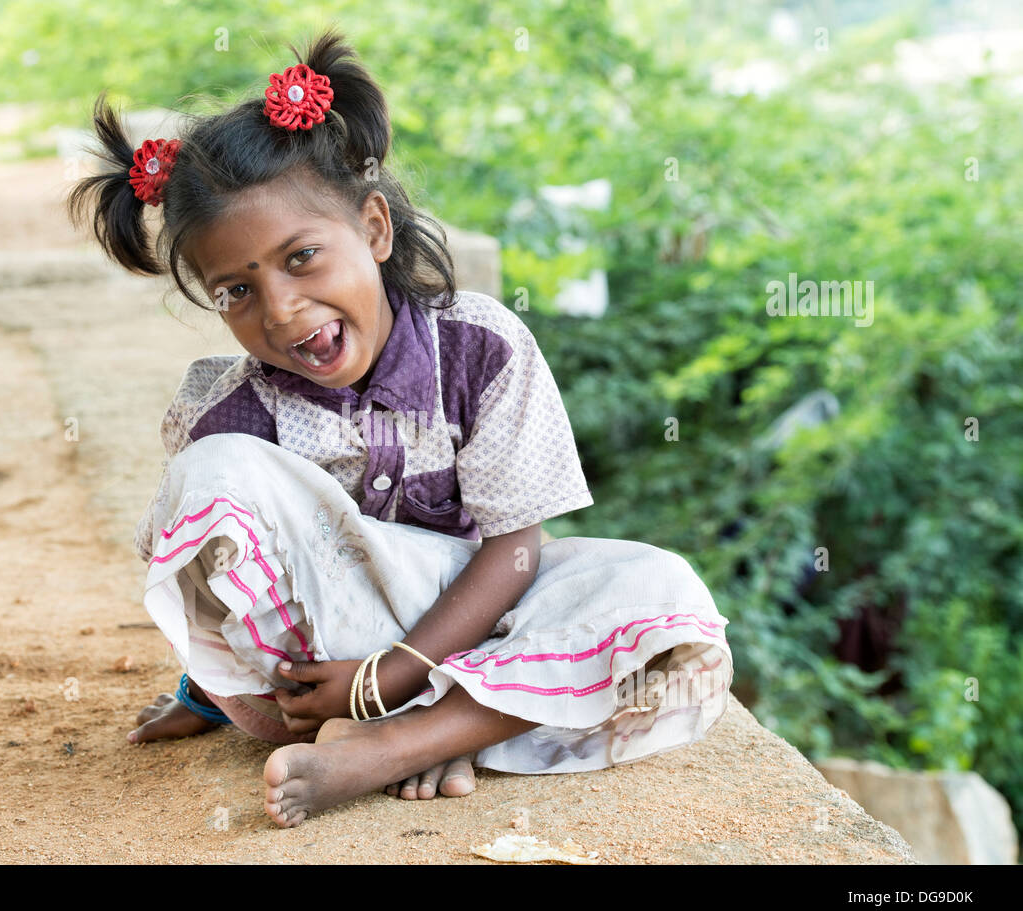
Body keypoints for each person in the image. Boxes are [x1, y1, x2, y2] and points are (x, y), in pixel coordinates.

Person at [68, 28, 733, 829]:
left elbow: (517, 546)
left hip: (470, 615)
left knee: (662, 593)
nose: (280, 308)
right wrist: (205, 692)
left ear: (375, 229)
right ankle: (450, 725)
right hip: (323, 668)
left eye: (302, 256)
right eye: (235, 291)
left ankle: (406, 738)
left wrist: (398, 675)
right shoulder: (238, 413)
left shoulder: (481, 348)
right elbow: (218, 575)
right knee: (207, 469)